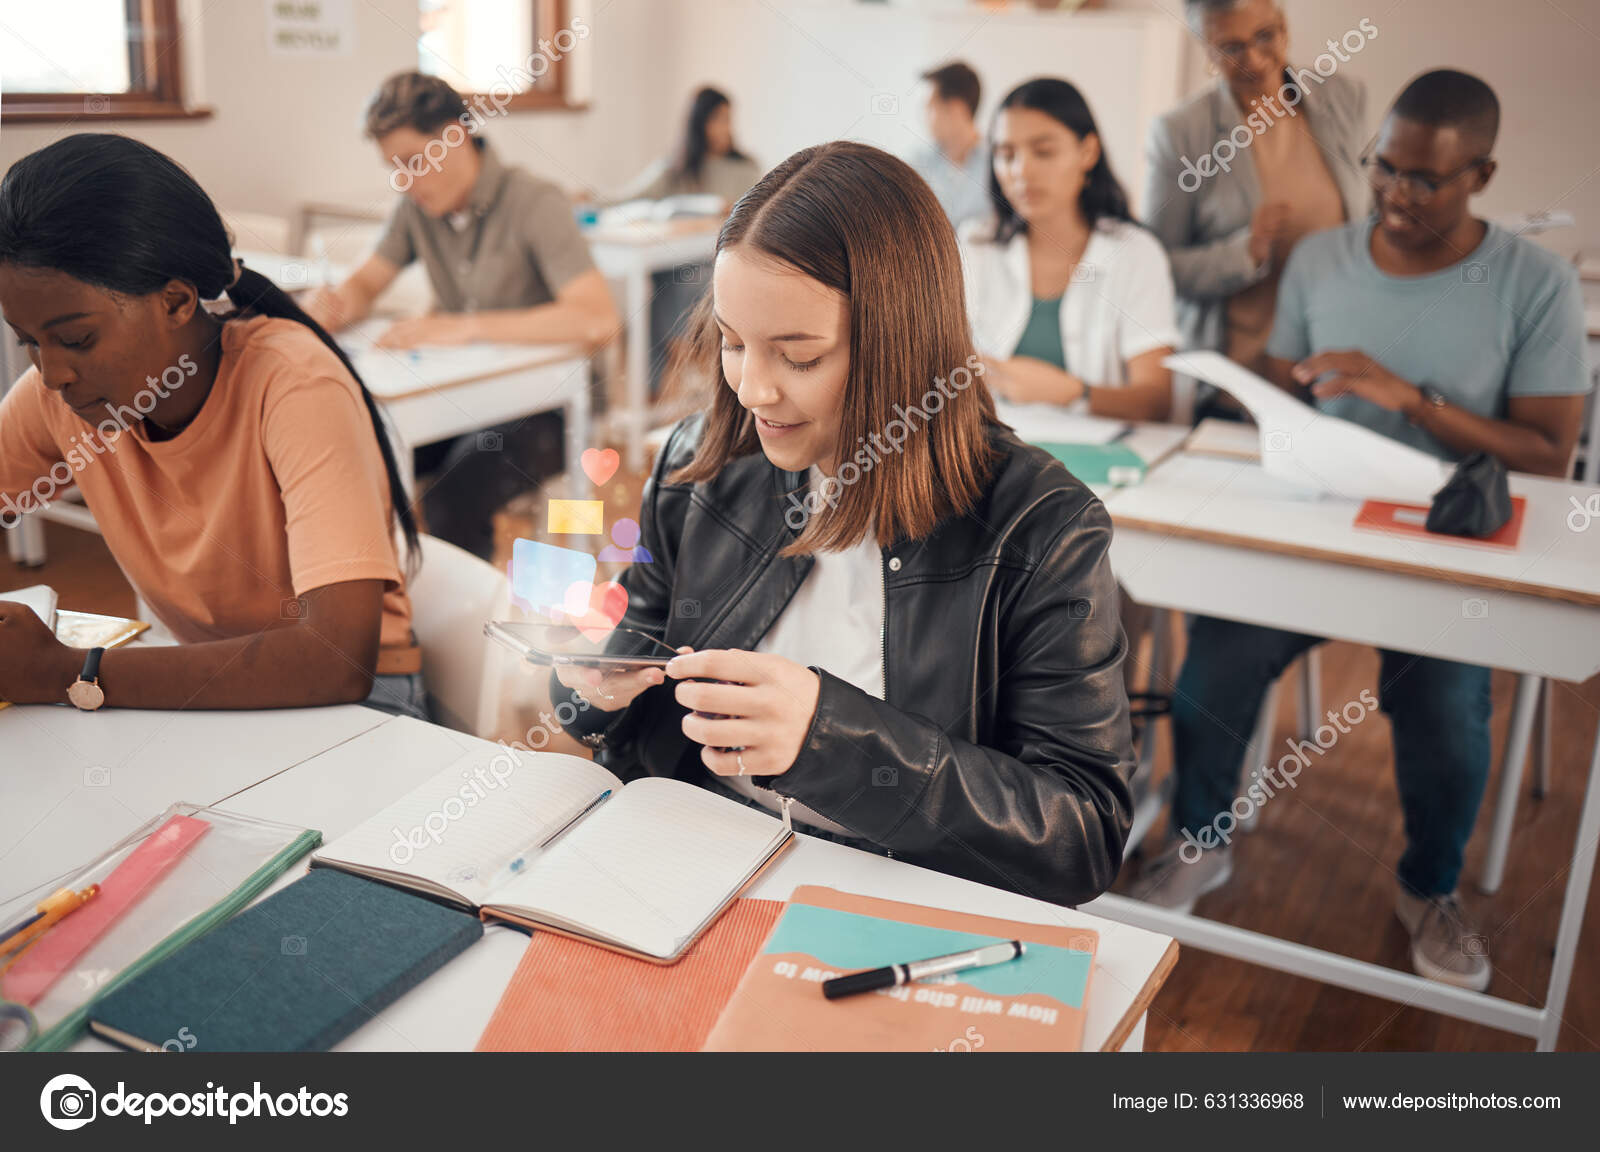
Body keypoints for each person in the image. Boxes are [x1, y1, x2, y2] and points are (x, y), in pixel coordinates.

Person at [547, 141, 1136, 906]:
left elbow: (1081, 837)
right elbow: (640, 693)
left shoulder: (1043, 526)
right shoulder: (703, 463)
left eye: (798, 357)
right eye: (733, 342)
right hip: (698, 874)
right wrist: (593, 690)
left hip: (901, 909)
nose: (752, 390)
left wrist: (832, 739)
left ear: (903, 348)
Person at [1132, 71, 1590, 993]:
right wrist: (1261, 395)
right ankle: (1200, 841)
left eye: (1425, 179)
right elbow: (1289, 386)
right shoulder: (1322, 259)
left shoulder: (1533, 283)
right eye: (1383, 167)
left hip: (1446, 540)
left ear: (1482, 177)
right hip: (1320, 524)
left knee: (1447, 708)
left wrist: (1411, 399)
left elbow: (1549, 454)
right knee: (1213, 664)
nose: (1395, 193)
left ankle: (1429, 889)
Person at [0, 135, 426, 720]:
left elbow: (335, 660)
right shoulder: (61, 396)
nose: (52, 374)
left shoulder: (293, 385)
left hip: (362, 705)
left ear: (176, 302)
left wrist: (66, 671)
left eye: (76, 339)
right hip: (215, 694)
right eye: (27, 341)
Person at [305, 72, 619, 559]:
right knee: (363, 457)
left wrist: (465, 328)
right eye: (394, 168)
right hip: (459, 398)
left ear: (454, 137)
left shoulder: (535, 202)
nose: (404, 182)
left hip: (547, 410)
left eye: (413, 162)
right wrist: (330, 306)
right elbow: (365, 284)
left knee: (453, 493)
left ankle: (466, 609)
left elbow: (598, 319)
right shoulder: (415, 208)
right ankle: (390, 596)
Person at [1145, 0, 1367, 415]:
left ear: (1284, 27)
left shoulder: (1343, 98)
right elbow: (1153, 268)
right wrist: (1243, 253)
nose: (1254, 59)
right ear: (1206, 49)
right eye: (1231, 47)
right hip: (1238, 379)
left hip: (1333, 373)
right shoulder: (1180, 133)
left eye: (1265, 36)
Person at [961, 78, 1178, 424]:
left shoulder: (1137, 254)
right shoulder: (975, 245)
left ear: (1087, 152)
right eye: (1006, 154)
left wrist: (1071, 392)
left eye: (1043, 152)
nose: (1021, 171)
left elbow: (1155, 402)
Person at [617, 86, 763, 397]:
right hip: (673, 265)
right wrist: (583, 199)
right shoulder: (674, 170)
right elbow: (627, 199)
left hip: (719, 264)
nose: (723, 129)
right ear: (698, 124)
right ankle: (663, 383)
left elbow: (759, 220)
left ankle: (672, 365)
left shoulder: (745, 169)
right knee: (662, 281)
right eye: (716, 120)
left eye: (727, 120)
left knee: (685, 281)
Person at [906, 61, 989, 229]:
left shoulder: (998, 164)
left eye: (929, 107)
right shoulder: (917, 163)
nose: (923, 117)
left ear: (956, 109)